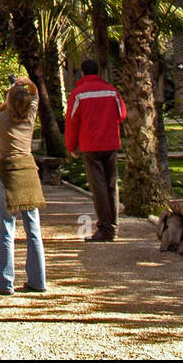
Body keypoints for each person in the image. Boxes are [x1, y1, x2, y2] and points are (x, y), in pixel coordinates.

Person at [0, 76, 46, 295]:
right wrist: (27, 82)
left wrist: (7, 99)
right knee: (33, 230)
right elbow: (36, 93)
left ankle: (4, 282)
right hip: (29, 174)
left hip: (8, 174)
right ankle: (38, 281)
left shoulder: (1, 120)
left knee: (6, 230)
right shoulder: (30, 118)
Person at [65, 57, 127, 242]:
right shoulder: (111, 91)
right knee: (111, 184)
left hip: (90, 145)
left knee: (98, 186)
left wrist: (71, 145)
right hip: (110, 143)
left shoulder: (78, 94)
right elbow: (122, 114)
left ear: (82, 72)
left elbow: (72, 121)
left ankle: (104, 228)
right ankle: (114, 226)